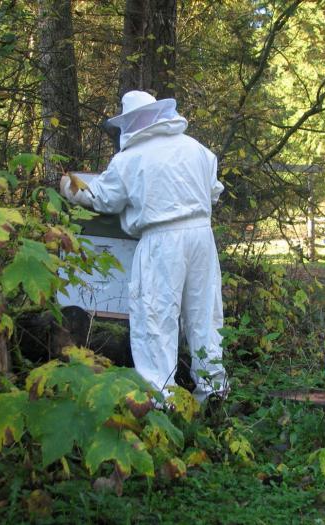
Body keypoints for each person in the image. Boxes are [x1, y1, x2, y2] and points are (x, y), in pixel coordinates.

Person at [59, 90, 227, 404]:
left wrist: (69, 188)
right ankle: (213, 394)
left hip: (161, 241)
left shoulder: (129, 159)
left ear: (132, 123)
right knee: (204, 316)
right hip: (202, 237)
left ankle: (160, 404)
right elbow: (214, 191)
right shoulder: (198, 150)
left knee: (156, 318)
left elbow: (101, 198)